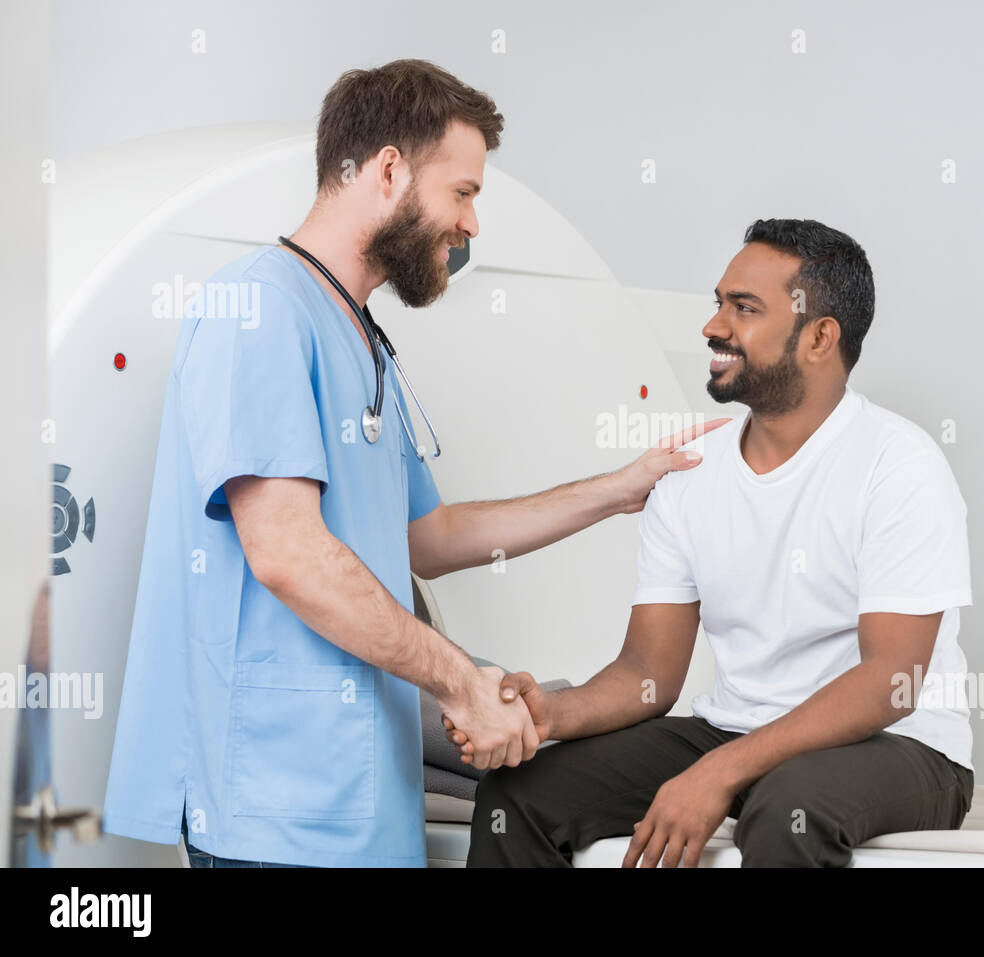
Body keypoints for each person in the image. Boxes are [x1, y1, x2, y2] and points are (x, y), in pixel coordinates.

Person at [100, 59, 725, 868]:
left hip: (365, 800)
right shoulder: (258, 311)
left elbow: (427, 536)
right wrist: (462, 682)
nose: (471, 224)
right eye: (463, 192)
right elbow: (288, 553)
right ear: (390, 169)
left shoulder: (363, 339)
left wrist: (616, 489)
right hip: (275, 807)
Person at [450, 219, 975, 868]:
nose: (714, 325)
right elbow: (648, 673)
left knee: (788, 813)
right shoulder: (692, 470)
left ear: (819, 336)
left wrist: (721, 770)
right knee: (519, 795)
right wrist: (550, 712)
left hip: (902, 744)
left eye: (744, 307)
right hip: (736, 729)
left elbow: (890, 683)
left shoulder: (897, 465)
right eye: (719, 302)